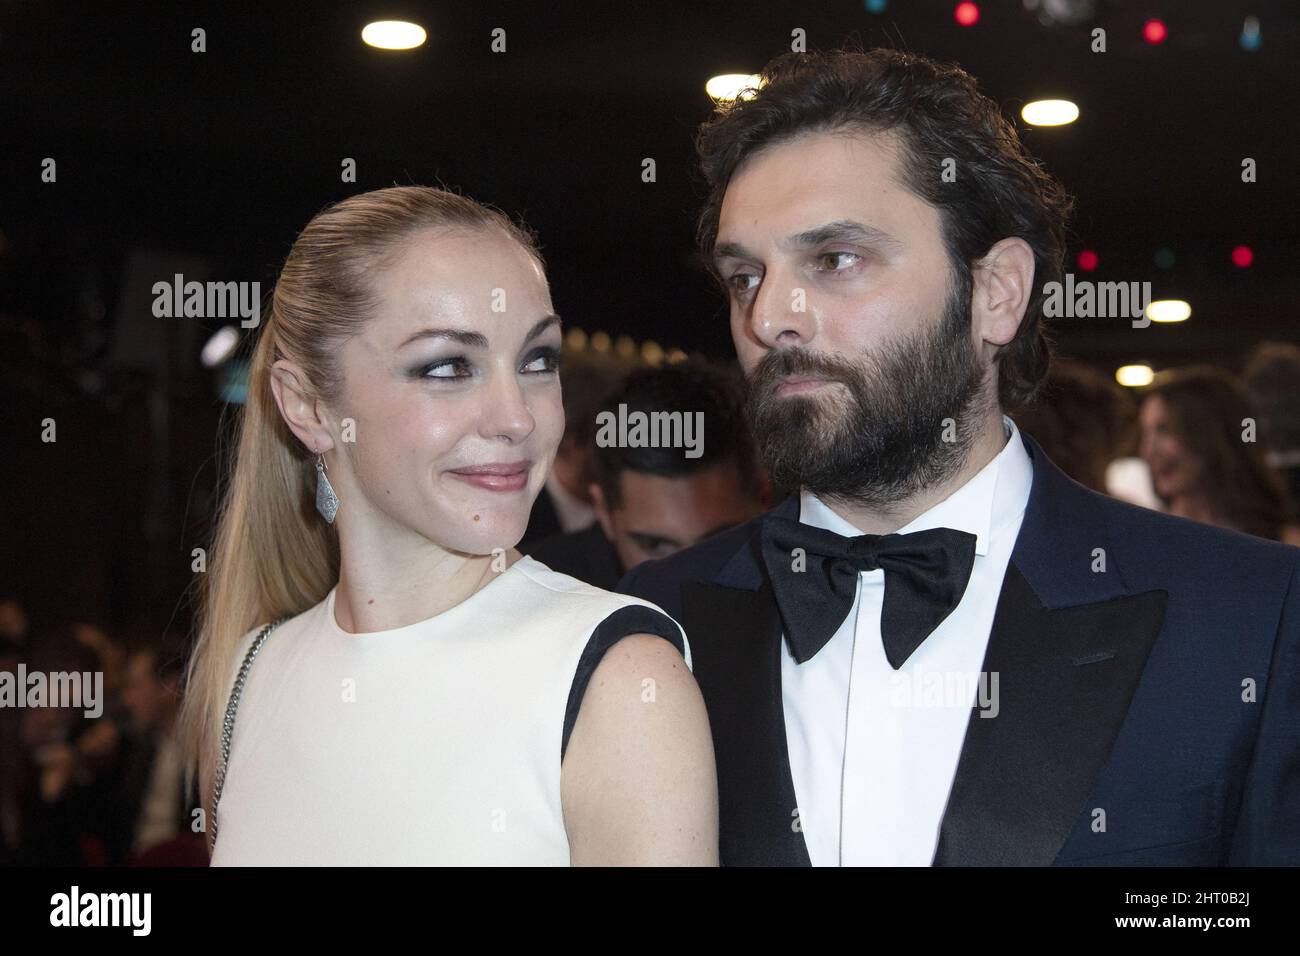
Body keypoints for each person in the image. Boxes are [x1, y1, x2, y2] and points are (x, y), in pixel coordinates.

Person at [619, 48, 1300, 866]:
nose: (770, 317)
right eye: (744, 277)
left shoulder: (1245, 618)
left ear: (997, 293)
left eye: (835, 261)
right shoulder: (645, 630)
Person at [177, 186, 717, 865]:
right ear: (307, 405)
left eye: (537, 360)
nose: (516, 417)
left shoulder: (619, 677)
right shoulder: (251, 674)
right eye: (448, 366)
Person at [525, 359, 766, 588]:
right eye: (656, 545)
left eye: (717, 543)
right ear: (604, 512)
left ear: (761, 501)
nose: (689, 578)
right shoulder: (539, 592)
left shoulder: (788, 582)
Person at [1139, 365, 1296, 543]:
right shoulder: (1146, 541)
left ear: (1214, 434)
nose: (1148, 451)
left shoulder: (1284, 546)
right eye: (1146, 433)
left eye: (1165, 430)